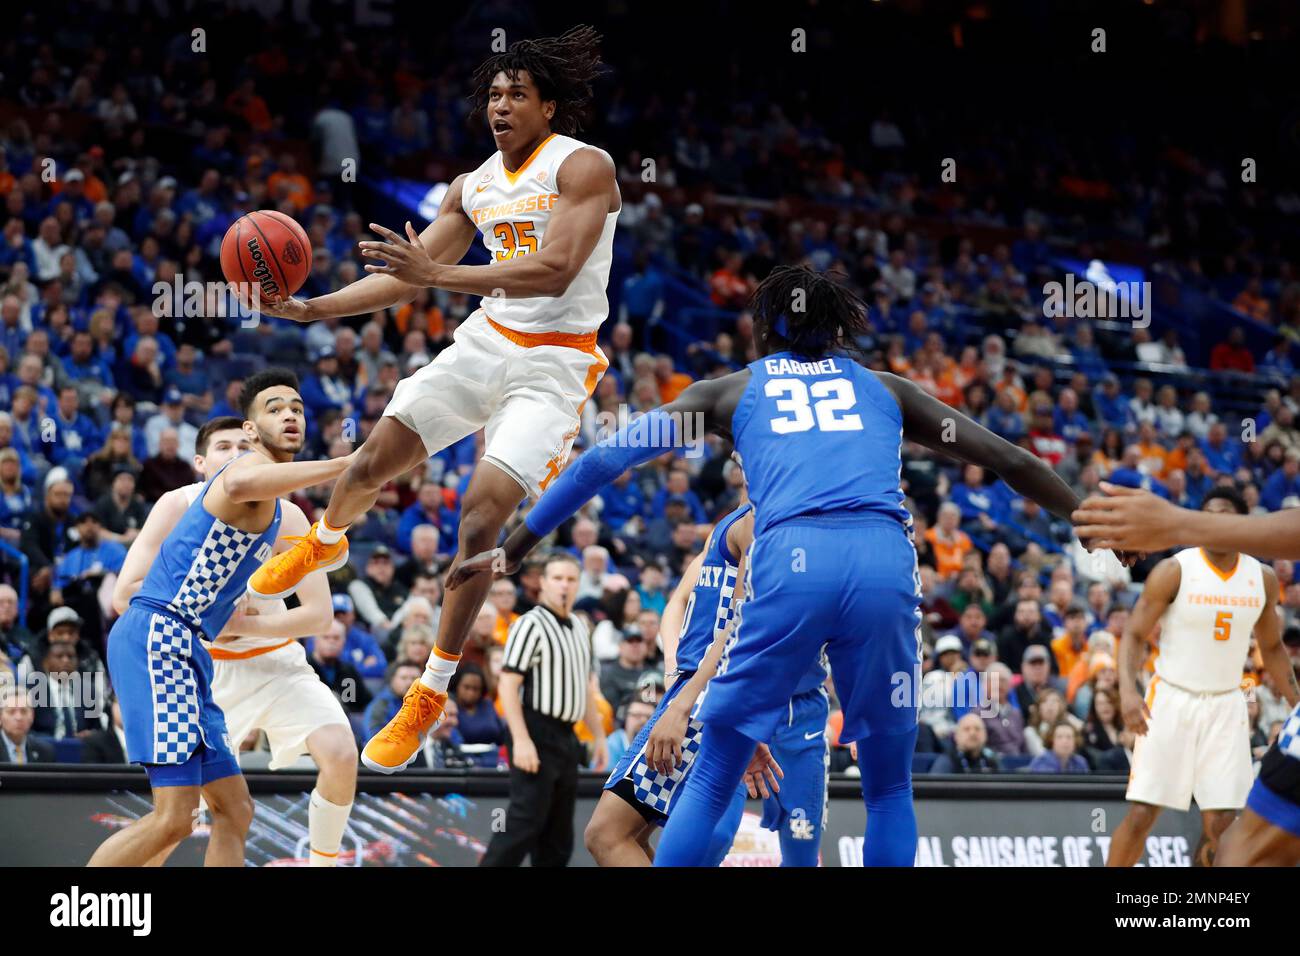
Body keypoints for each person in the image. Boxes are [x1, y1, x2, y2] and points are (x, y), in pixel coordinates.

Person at [450, 266, 1099, 866]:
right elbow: (1015, 462)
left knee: (714, 769)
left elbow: (602, 462)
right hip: (883, 560)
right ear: (840, 331)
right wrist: (1091, 523)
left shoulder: (730, 393)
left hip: (791, 559)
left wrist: (516, 545)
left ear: (763, 330)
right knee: (888, 786)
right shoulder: (886, 389)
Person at [245, 28, 622, 778]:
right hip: (486, 342)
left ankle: (429, 691)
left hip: (555, 365)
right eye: (493, 94)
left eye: (518, 93)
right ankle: (326, 538)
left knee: (481, 512)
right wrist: (314, 308)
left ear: (549, 104)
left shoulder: (585, 166)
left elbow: (553, 270)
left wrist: (436, 275)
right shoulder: (473, 184)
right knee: (368, 463)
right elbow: (413, 274)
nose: (502, 105)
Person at [87, 370, 354, 867]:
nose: (290, 414)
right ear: (249, 433)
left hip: (193, 650)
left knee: (235, 810)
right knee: (175, 817)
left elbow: (319, 604)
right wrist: (347, 463)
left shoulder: (283, 511)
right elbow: (243, 479)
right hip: (159, 634)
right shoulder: (239, 475)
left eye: (296, 407)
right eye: (274, 409)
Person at [1105, 488, 1294, 867]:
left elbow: (1272, 648)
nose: (1213, 520)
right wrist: (1128, 691)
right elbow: (1136, 635)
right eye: (1207, 512)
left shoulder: (1263, 577)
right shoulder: (1175, 569)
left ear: (1242, 523)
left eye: (1224, 513)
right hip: (1170, 701)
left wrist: (1297, 703)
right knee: (1143, 815)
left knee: (1222, 824)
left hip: (1226, 704)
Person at [479, 552, 607, 867]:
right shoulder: (530, 624)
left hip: (567, 737)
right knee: (523, 824)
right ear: (543, 584)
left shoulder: (580, 627)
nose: (564, 585)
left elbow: (584, 690)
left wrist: (600, 737)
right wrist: (521, 740)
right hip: (535, 729)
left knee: (559, 837)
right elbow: (508, 685)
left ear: (578, 584)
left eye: (570, 579)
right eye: (557, 578)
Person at [0, 686, 55, 763]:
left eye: (24, 711)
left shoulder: (45, 751)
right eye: (11, 711)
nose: (18, 717)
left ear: (32, 716)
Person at [931, 713, 1000, 773]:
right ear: (956, 736)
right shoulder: (946, 762)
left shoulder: (992, 761)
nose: (972, 733)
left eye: (977, 729)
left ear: (985, 735)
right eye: (966, 729)